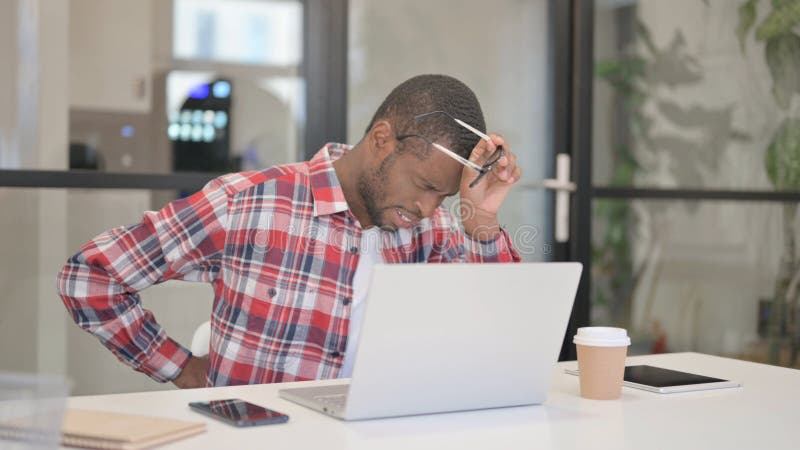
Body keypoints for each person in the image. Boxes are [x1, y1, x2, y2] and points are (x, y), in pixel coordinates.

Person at [57, 74, 522, 389]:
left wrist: (481, 226)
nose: (427, 208)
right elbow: (91, 277)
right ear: (382, 141)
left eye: (441, 196)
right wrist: (180, 368)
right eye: (424, 186)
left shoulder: (435, 228)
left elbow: (502, 340)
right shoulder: (248, 203)